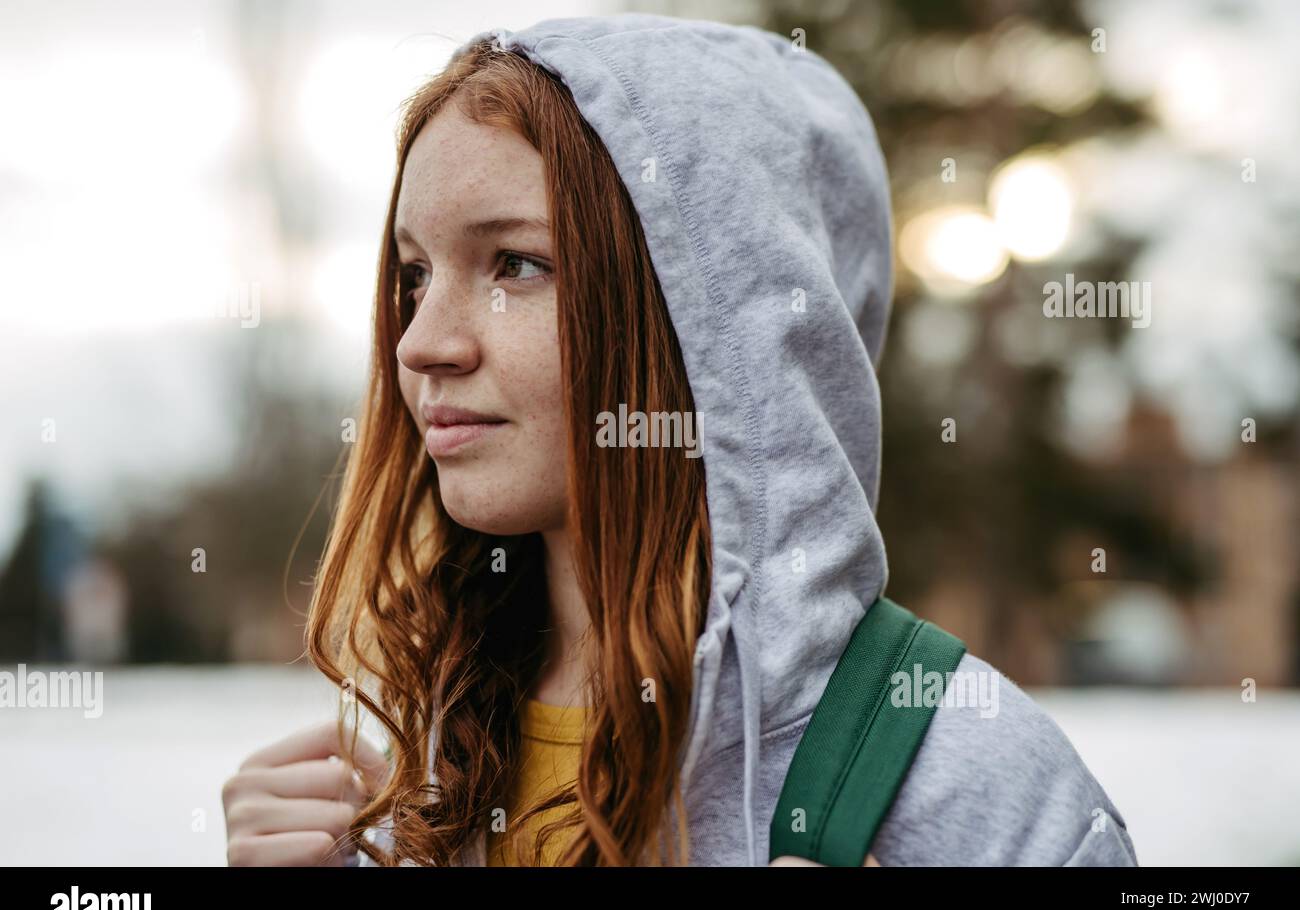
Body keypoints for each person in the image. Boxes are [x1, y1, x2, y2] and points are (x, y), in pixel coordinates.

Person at [222, 13, 1138, 867]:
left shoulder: (978, 790)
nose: (421, 343)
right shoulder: (420, 788)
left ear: (716, 323)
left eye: (518, 264)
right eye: (415, 274)